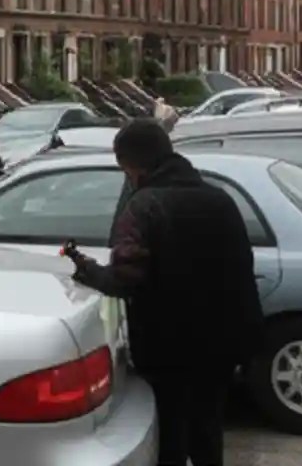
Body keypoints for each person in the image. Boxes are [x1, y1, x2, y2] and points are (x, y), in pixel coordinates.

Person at [63, 118, 263, 466]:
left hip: (168, 347)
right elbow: (241, 270)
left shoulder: (143, 208)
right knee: (207, 430)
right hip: (222, 344)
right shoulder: (220, 201)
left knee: (170, 432)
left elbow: (125, 279)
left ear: (130, 164)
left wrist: (86, 270)